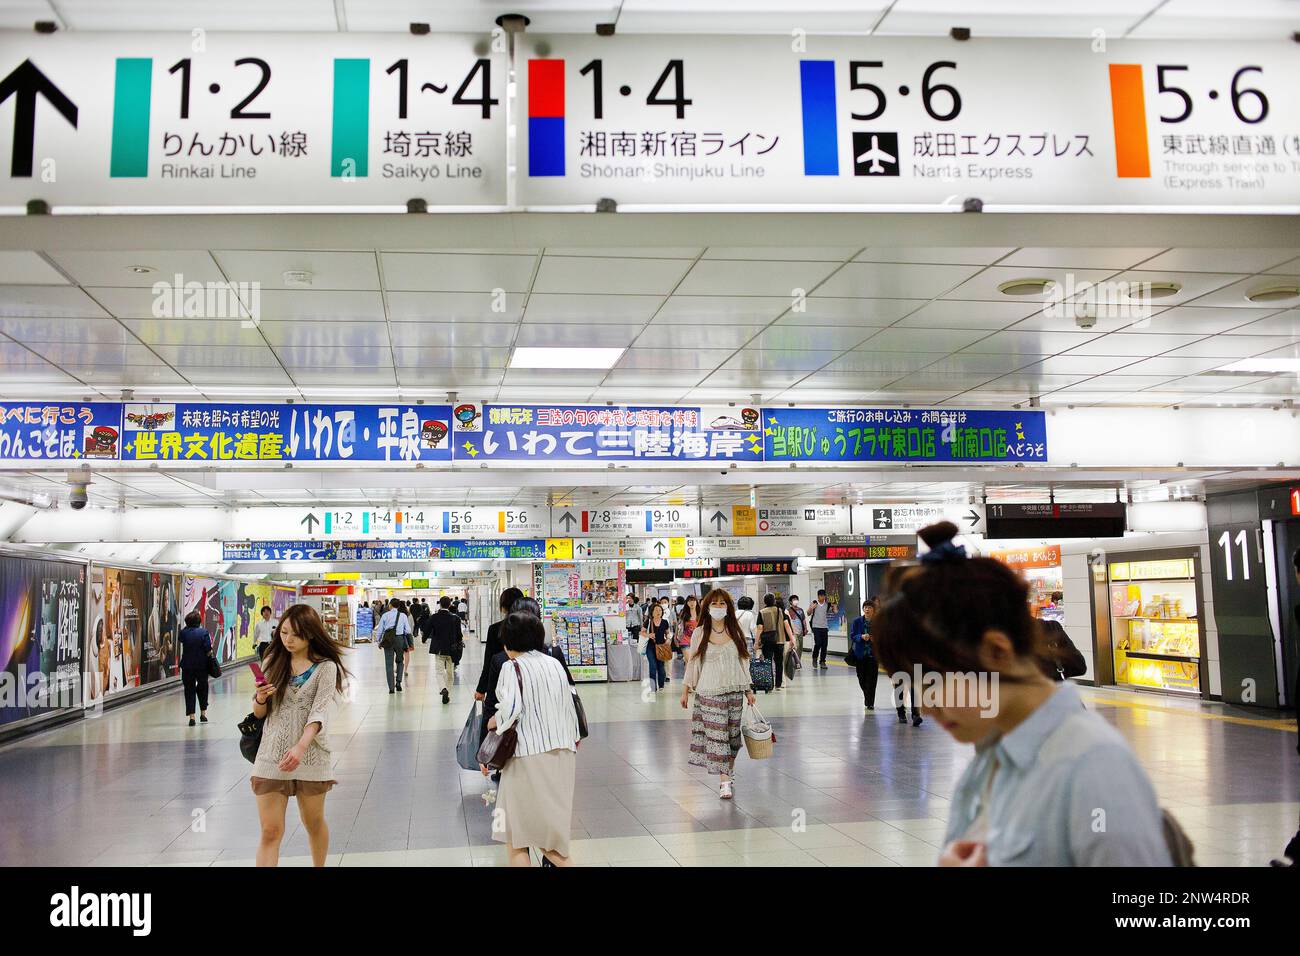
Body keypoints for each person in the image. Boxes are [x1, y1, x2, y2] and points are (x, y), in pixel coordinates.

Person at [873, 521, 1172, 867]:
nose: (926, 706)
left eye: (931, 682)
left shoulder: (1092, 765)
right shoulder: (991, 759)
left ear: (997, 651)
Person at [250, 603, 348, 868]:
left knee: (313, 822)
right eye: (283, 633)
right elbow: (260, 713)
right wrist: (260, 698)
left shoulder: (325, 667)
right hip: (271, 755)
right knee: (270, 831)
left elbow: (319, 713)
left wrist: (301, 747)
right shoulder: (272, 661)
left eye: (295, 634)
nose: (288, 640)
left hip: (311, 755)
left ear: (311, 634)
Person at [483, 611, 581, 867]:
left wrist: (493, 721)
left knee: (517, 836)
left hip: (528, 758)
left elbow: (510, 711)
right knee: (551, 838)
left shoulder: (511, 666)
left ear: (508, 642)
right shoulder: (554, 664)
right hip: (563, 753)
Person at [680, 589, 757, 800]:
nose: (718, 607)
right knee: (717, 736)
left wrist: (748, 690)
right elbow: (693, 663)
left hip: (734, 690)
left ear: (728, 607)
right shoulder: (700, 633)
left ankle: (728, 772)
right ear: (707, 607)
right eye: (714, 603)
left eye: (723, 603)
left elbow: (743, 661)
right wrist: (685, 690)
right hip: (708, 691)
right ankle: (724, 781)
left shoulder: (736, 630)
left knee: (732, 738)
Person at [423, 596, 463, 705]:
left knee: (439, 671)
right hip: (452, 649)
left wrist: (423, 639)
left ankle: (443, 688)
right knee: (450, 673)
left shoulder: (435, 617)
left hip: (439, 649)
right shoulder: (455, 618)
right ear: (449, 605)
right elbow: (459, 635)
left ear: (440, 604)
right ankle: (447, 693)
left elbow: (427, 629)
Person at [178, 610, 212, 727]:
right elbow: (208, 649)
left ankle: (192, 717)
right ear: (199, 621)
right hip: (202, 666)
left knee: (189, 690)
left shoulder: (183, 633)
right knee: (203, 689)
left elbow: (181, 640)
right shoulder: (204, 632)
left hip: (187, 665)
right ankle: (203, 714)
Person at [376, 598, 411, 694]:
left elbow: (380, 629)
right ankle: (399, 682)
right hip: (399, 640)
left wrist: (378, 640)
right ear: (398, 606)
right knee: (400, 661)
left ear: (390, 605)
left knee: (389, 663)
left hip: (388, 639)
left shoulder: (385, 615)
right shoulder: (403, 616)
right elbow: (408, 630)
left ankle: (391, 688)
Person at [849, 599, 879, 710]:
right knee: (861, 678)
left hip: (873, 655)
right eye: (865, 607)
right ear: (863, 609)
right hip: (860, 655)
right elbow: (852, 635)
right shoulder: (857, 621)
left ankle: (870, 702)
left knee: (872, 680)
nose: (867, 609)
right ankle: (868, 695)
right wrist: (861, 637)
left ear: (873, 610)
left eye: (870, 607)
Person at [757, 593, 789, 692]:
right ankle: (778, 685)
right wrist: (792, 639)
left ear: (764, 601)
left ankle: (769, 685)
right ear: (774, 601)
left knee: (768, 662)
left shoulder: (762, 612)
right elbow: (786, 625)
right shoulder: (780, 611)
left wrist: (756, 641)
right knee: (779, 663)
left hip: (767, 641)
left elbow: (760, 628)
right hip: (780, 640)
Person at [644, 601, 670, 691]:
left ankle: (661, 685)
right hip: (650, 647)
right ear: (652, 612)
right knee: (652, 666)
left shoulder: (665, 622)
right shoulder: (648, 621)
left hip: (661, 646)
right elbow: (641, 632)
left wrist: (668, 639)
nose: (658, 612)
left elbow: (668, 633)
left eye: (660, 610)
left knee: (661, 667)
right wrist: (648, 635)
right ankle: (653, 687)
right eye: (656, 610)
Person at [809, 589, 831, 669]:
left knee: (824, 645)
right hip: (816, 627)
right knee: (818, 643)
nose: (823, 597)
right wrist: (811, 608)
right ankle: (814, 658)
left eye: (824, 595)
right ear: (818, 596)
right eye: (821, 595)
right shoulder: (814, 603)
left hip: (824, 627)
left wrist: (835, 607)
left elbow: (835, 611)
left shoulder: (827, 604)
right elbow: (808, 613)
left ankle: (822, 661)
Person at [675, 594, 699, 659]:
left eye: (693, 601)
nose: (692, 603)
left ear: (696, 602)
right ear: (687, 603)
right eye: (689, 601)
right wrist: (675, 638)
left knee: (694, 662)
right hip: (685, 640)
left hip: (697, 641)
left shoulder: (700, 614)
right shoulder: (684, 614)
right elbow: (678, 626)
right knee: (689, 660)